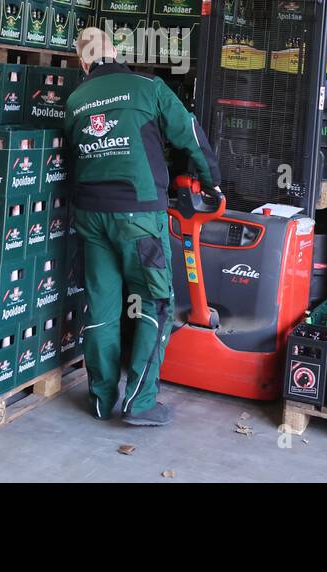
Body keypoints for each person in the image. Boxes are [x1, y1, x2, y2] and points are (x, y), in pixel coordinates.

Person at [63, 26, 222, 426]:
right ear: (116, 53)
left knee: (102, 307)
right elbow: (189, 136)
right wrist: (213, 181)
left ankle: (100, 399)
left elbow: (70, 156)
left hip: (90, 216)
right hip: (139, 216)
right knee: (156, 302)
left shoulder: (76, 99)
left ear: (82, 63)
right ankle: (140, 402)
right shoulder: (147, 86)